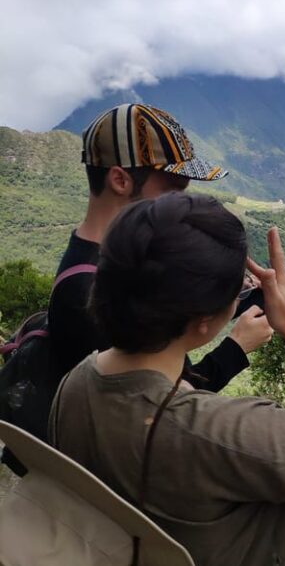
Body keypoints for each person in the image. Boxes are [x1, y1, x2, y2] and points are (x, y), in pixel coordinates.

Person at [49, 192, 285, 566]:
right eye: (235, 288)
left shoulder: (76, 384)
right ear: (205, 323)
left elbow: (153, 402)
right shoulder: (215, 434)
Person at [48, 103, 272, 394]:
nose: (182, 203)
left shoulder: (127, 259)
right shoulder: (86, 291)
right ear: (120, 180)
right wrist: (238, 347)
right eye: (173, 191)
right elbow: (159, 404)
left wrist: (221, 297)